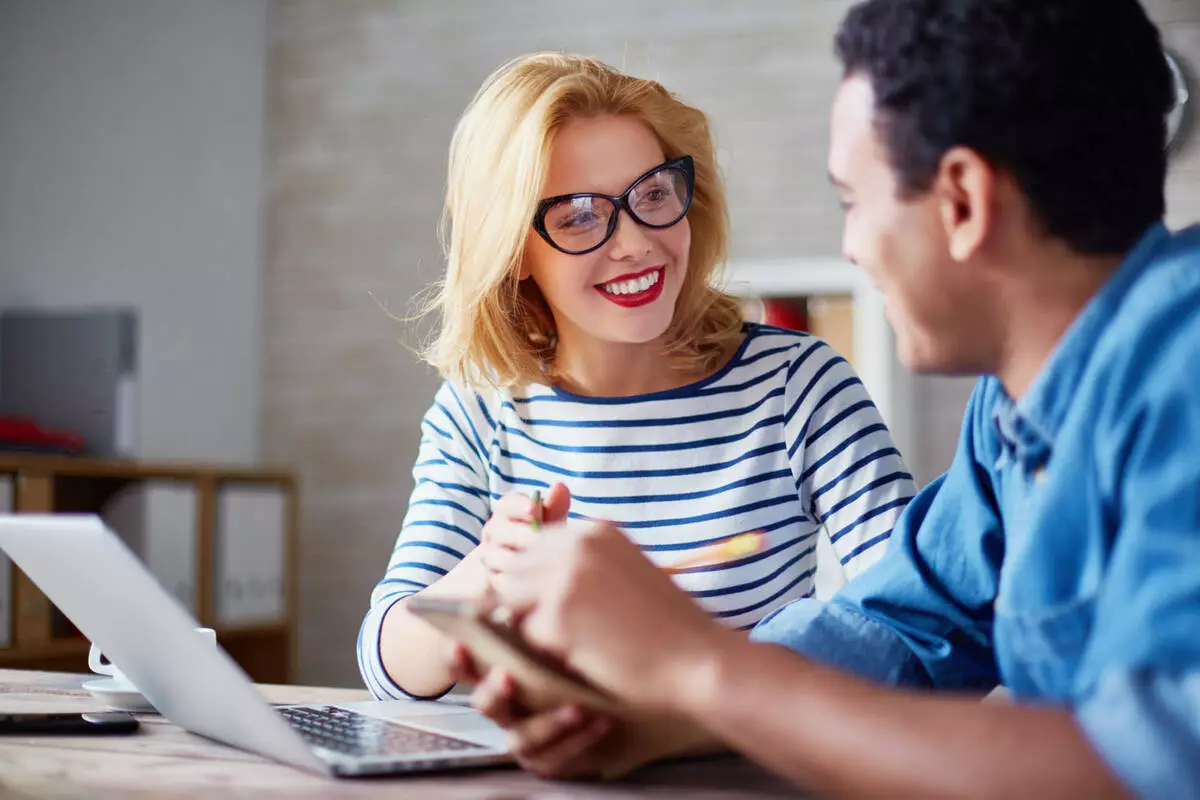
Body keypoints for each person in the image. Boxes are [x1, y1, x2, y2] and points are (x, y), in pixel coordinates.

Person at [470, 1, 1200, 796]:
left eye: (854, 202)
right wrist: (663, 714)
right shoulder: (1014, 414)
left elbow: (1156, 762)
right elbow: (901, 626)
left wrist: (701, 667)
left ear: (961, 202)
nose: (851, 248)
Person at [356, 53, 915, 703]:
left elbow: (913, 621)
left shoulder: (798, 386)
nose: (634, 244)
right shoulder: (480, 410)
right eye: (580, 216)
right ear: (513, 253)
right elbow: (387, 666)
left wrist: (707, 676)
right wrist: (484, 573)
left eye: (652, 194)